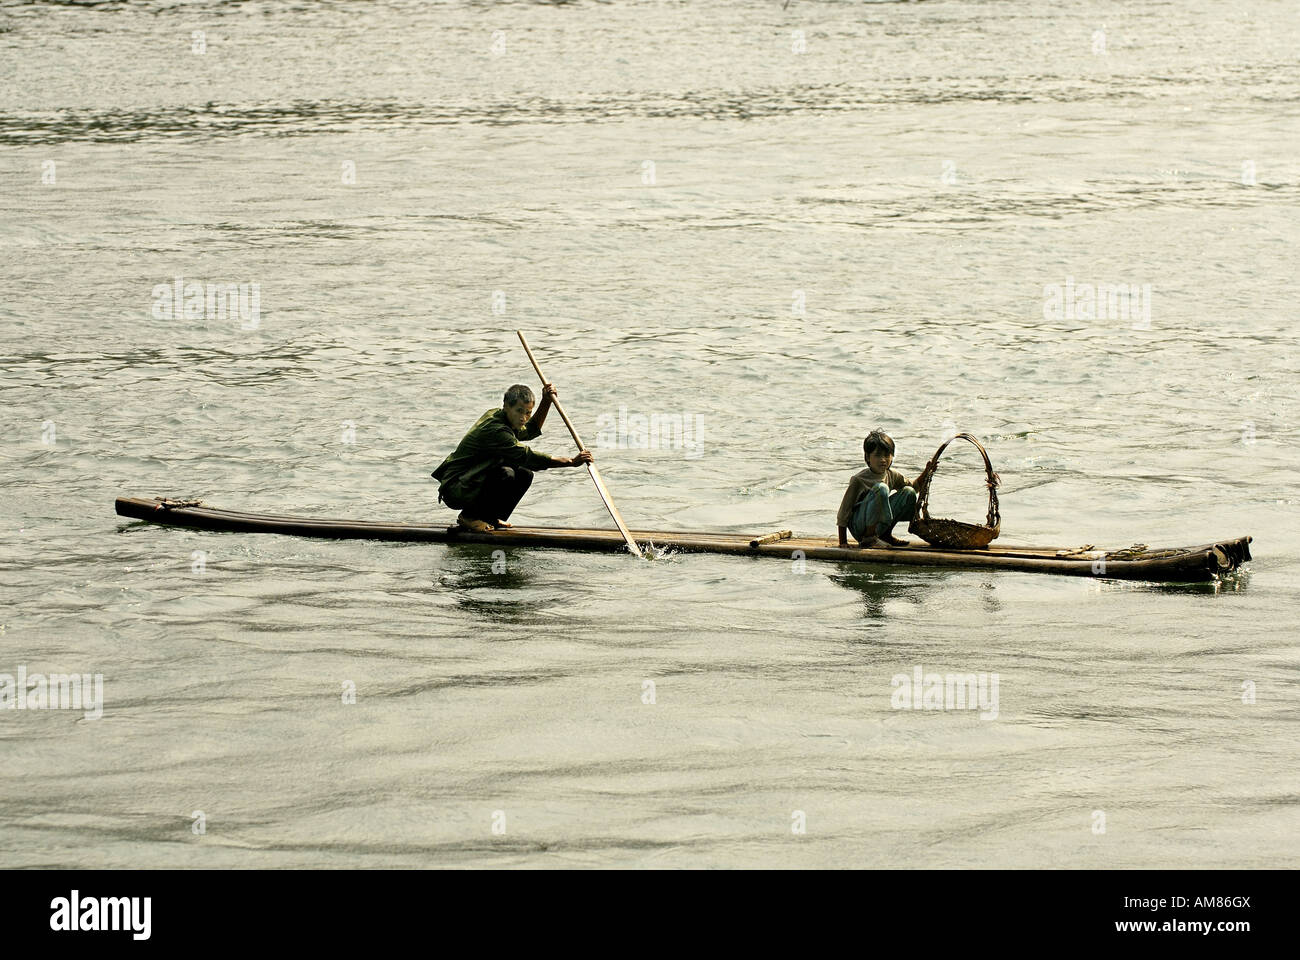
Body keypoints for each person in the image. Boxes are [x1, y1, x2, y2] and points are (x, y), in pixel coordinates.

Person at [432, 383, 593, 532]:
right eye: (519, 411)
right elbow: (527, 456)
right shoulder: (495, 429)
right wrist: (571, 462)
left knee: (525, 474)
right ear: (506, 407)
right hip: (457, 487)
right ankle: (469, 516)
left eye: (528, 413)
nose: (523, 418)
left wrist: (546, 401)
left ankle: (490, 517)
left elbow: (529, 430)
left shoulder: (504, 418)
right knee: (506, 473)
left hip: (473, 480)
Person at [836, 429, 917, 548]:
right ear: (868, 457)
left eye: (886, 455)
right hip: (860, 528)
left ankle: (885, 535)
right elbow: (843, 512)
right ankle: (869, 538)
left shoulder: (891, 474)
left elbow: (915, 487)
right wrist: (843, 542)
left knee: (909, 492)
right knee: (881, 488)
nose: (883, 460)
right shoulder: (858, 479)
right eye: (878, 455)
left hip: (878, 527)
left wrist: (927, 471)